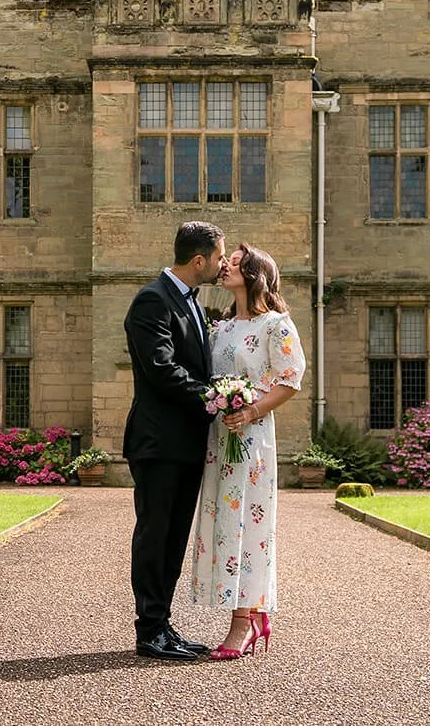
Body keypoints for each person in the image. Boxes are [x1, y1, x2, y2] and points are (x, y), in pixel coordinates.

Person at [189, 242, 305, 659]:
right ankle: (253, 615)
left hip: (252, 439)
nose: (225, 267)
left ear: (254, 274)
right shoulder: (219, 328)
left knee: (247, 525)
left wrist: (252, 410)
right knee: (222, 521)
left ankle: (243, 622)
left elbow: (290, 380)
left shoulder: (276, 325)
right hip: (218, 440)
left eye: (235, 263)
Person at [122, 220, 226, 660]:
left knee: (174, 537)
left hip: (186, 442)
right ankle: (149, 630)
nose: (223, 265)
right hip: (158, 442)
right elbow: (162, 368)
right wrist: (214, 397)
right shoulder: (153, 300)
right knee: (156, 535)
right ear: (199, 260)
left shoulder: (191, 302)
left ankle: (163, 625)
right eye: (219, 257)